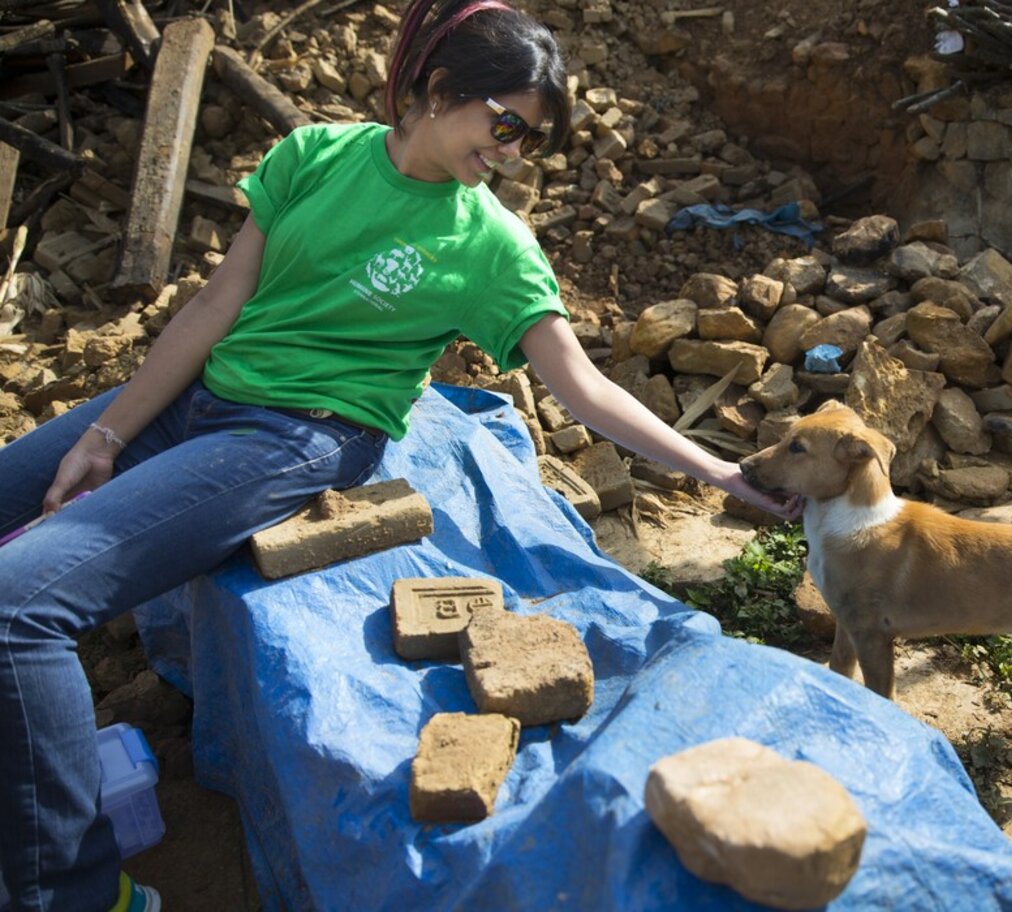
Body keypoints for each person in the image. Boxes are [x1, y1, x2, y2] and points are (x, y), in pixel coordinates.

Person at [0, 1, 800, 908]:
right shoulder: (315, 156)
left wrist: (721, 472)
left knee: (17, 606)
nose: (510, 154)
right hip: (198, 396)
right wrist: (106, 436)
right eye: (505, 125)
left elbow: (585, 390)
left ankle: (72, 895)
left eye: (528, 143)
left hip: (297, 436)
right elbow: (214, 307)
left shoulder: (492, 246)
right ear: (436, 89)